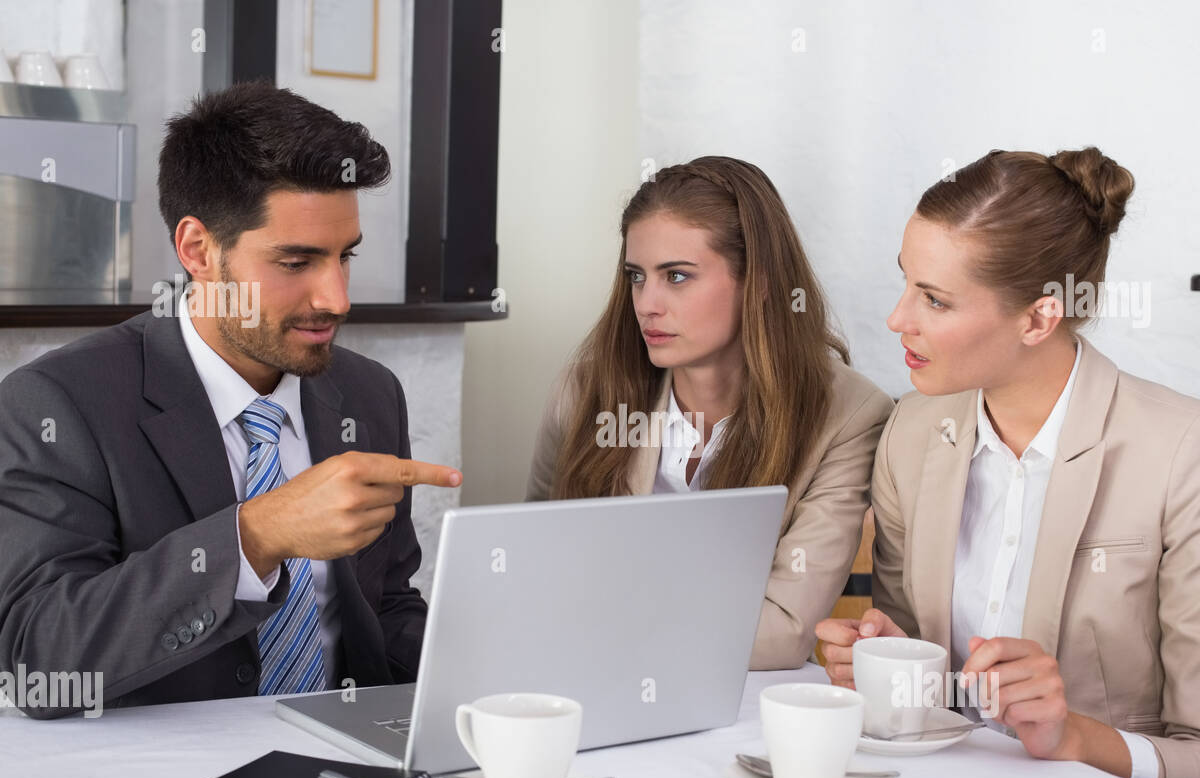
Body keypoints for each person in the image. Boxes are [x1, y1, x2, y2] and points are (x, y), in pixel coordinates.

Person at [816, 147, 1200, 778]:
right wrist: (882, 661)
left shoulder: (1180, 449)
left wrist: (1071, 735)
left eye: (934, 300)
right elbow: (922, 686)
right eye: (906, 282)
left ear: (1038, 318)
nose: (897, 319)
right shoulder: (911, 432)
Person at [0, 82, 461, 717]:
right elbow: (39, 659)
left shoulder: (370, 395)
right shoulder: (58, 405)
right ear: (197, 250)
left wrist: (470, 681)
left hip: (344, 761)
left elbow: (384, 605)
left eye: (344, 257)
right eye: (297, 262)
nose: (337, 299)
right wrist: (257, 536)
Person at [527, 156, 893, 669]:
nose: (647, 304)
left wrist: (596, 616)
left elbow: (783, 631)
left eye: (677, 276)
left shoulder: (850, 414)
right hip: (587, 682)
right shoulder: (586, 388)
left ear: (757, 283)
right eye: (637, 276)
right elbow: (533, 558)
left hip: (740, 707)